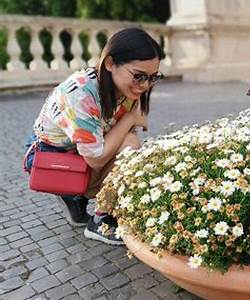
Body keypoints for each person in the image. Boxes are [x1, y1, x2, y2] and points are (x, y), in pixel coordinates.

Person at [23, 27, 163, 245]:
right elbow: (95, 158)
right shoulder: (80, 94)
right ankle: (100, 221)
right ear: (109, 63)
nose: (145, 86)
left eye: (153, 77)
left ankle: (76, 198)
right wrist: (130, 119)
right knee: (130, 146)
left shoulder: (122, 87)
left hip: (81, 149)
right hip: (51, 158)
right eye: (138, 76)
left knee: (130, 147)